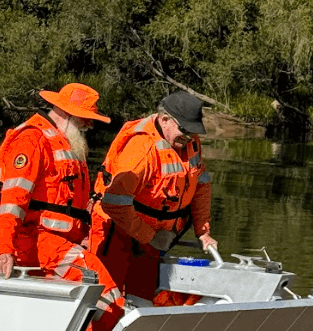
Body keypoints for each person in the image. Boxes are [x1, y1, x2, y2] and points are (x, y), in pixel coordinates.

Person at [0, 82, 124, 331]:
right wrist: (3, 248)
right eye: (85, 119)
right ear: (67, 113)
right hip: (37, 243)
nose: (89, 125)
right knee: (106, 296)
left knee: (97, 297)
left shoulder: (65, 142)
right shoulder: (32, 140)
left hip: (57, 243)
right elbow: (12, 203)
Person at [90, 90, 219, 304]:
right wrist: (150, 236)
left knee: (143, 300)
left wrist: (203, 231)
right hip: (116, 232)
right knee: (108, 301)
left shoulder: (189, 142)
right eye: (184, 130)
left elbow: (201, 186)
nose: (188, 137)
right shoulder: (141, 148)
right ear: (165, 120)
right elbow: (114, 203)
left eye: (192, 132)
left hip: (153, 238)